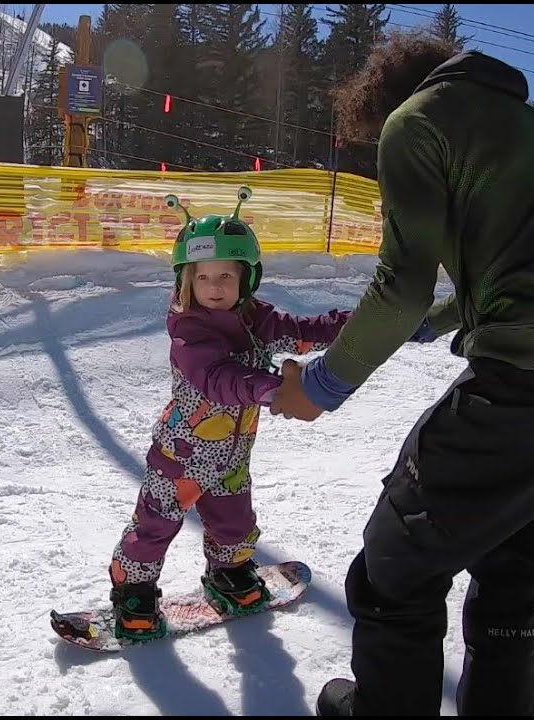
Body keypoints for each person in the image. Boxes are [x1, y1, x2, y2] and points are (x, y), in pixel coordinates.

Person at [266, 35, 534, 716]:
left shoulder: (415, 121)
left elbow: (400, 285)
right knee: (512, 577)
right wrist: (445, 320)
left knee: (394, 568)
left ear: (383, 95)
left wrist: (320, 386)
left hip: (531, 384)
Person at [105, 187, 354, 642]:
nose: (215, 287)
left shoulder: (254, 316)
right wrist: (275, 390)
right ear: (186, 280)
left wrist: (359, 325)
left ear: (247, 279)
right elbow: (221, 377)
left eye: (226, 276)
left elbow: (300, 331)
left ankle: (229, 575)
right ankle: (134, 593)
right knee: (155, 524)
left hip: (232, 457)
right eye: (203, 278)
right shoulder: (189, 330)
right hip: (180, 455)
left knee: (235, 522)